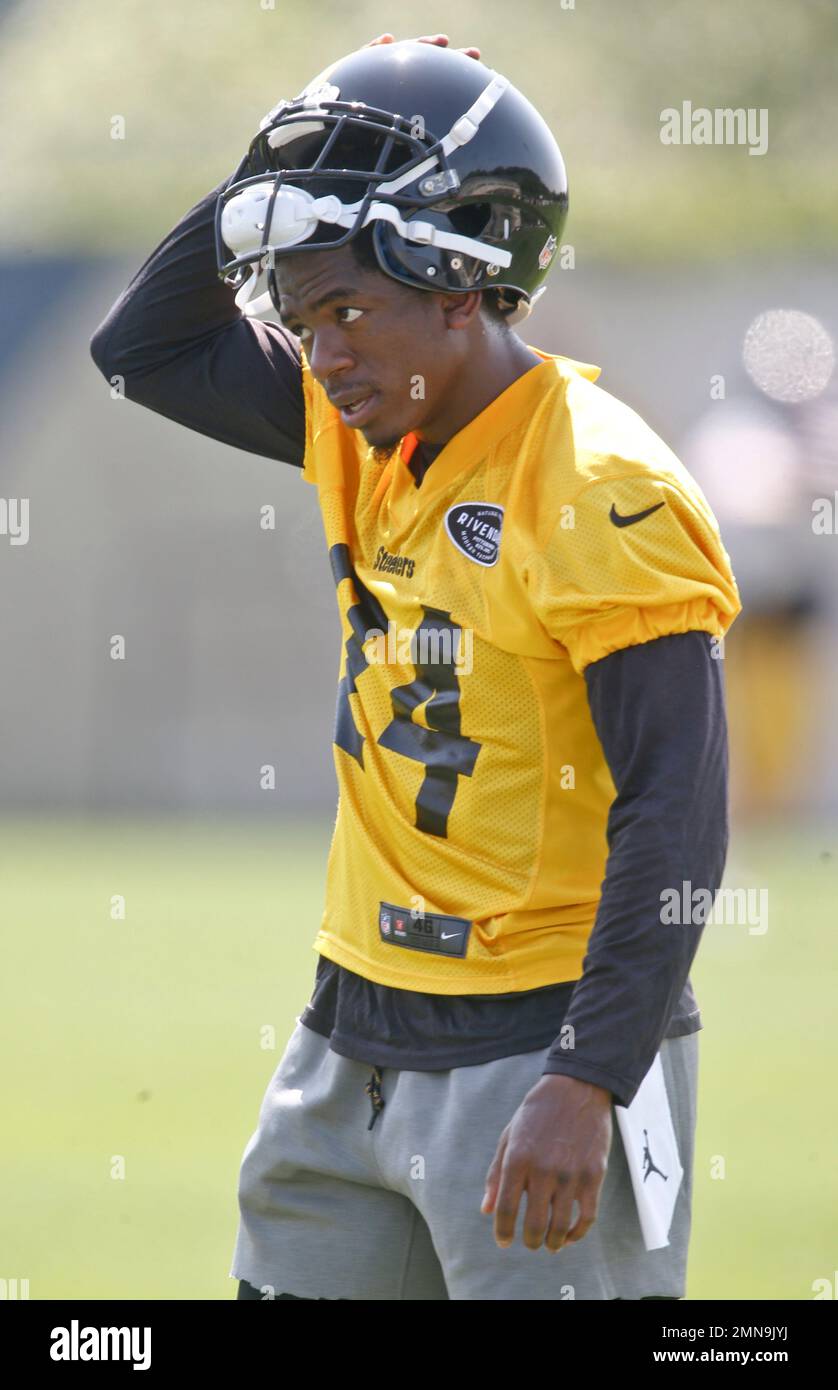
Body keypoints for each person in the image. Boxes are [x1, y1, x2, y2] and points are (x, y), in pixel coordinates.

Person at [89, 33, 742, 1301]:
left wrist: (591, 1077)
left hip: (541, 1040)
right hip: (353, 1023)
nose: (320, 356)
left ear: (459, 285)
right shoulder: (363, 424)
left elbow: (679, 812)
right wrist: (275, 167)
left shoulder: (600, 488)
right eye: (300, 315)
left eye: (346, 311)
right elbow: (141, 350)